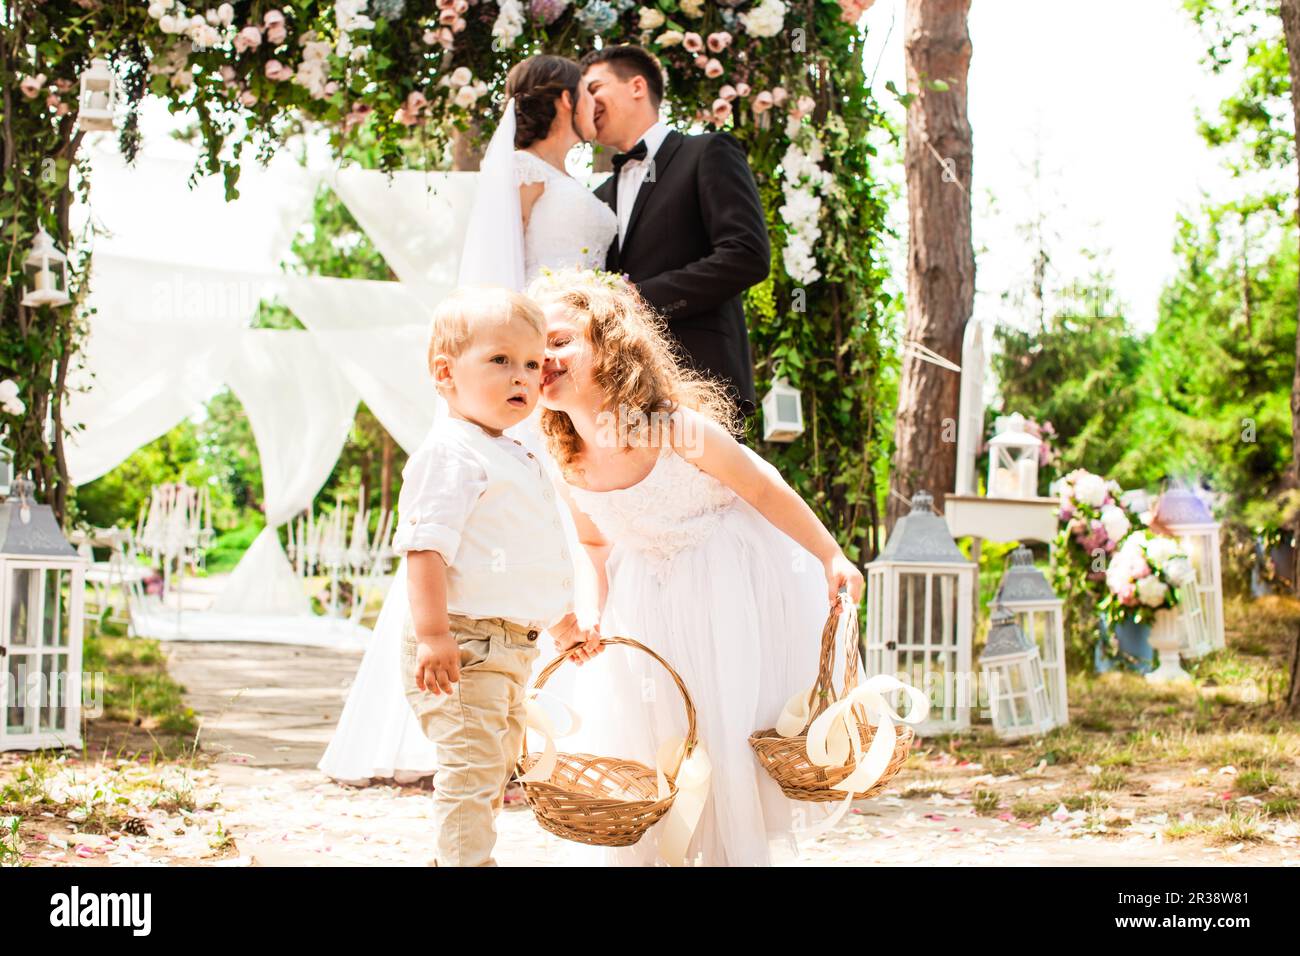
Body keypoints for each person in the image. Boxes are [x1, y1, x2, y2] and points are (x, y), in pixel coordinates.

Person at [318, 54, 613, 786]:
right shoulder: (517, 173)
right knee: (500, 520)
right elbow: (496, 277)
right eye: (587, 94)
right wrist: (517, 367)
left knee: (553, 518)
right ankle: (454, 681)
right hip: (533, 357)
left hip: (577, 357)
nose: (596, 106)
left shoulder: (583, 181)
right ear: (560, 99)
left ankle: (546, 718)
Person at [533, 269, 864, 866]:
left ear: (610, 346)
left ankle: (729, 852)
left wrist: (829, 553)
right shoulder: (566, 461)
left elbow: (765, 488)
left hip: (724, 579)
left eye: (561, 341)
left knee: (722, 725)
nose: (545, 357)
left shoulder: (673, 428)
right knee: (655, 732)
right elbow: (592, 546)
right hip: (646, 596)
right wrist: (591, 610)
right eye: (535, 350)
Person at [395, 286, 595, 867]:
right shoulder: (451, 453)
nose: (523, 377)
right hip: (464, 645)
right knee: (471, 772)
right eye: (501, 360)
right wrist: (434, 635)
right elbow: (424, 549)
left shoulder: (514, 452)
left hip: (509, 650)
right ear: (445, 372)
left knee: (490, 769)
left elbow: (526, 553)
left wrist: (561, 623)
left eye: (533, 364)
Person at [582, 44, 770, 416]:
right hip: (622, 394)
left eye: (594, 88)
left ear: (637, 86)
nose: (587, 103)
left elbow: (746, 255)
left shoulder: (707, 151)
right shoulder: (597, 198)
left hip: (702, 380)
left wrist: (642, 298)